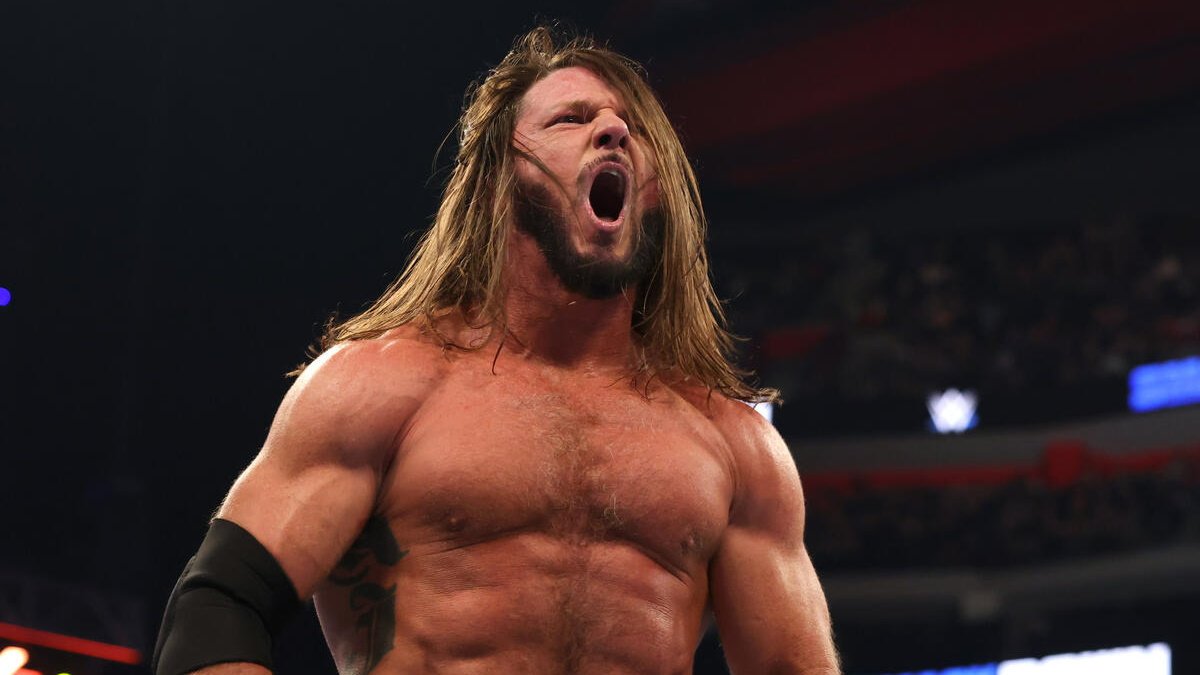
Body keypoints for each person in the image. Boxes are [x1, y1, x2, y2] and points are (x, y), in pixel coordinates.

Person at [154, 26, 840, 675]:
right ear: (496, 181)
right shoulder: (381, 386)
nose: (614, 131)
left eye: (632, 127)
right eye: (570, 119)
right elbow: (219, 604)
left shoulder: (733, 444)